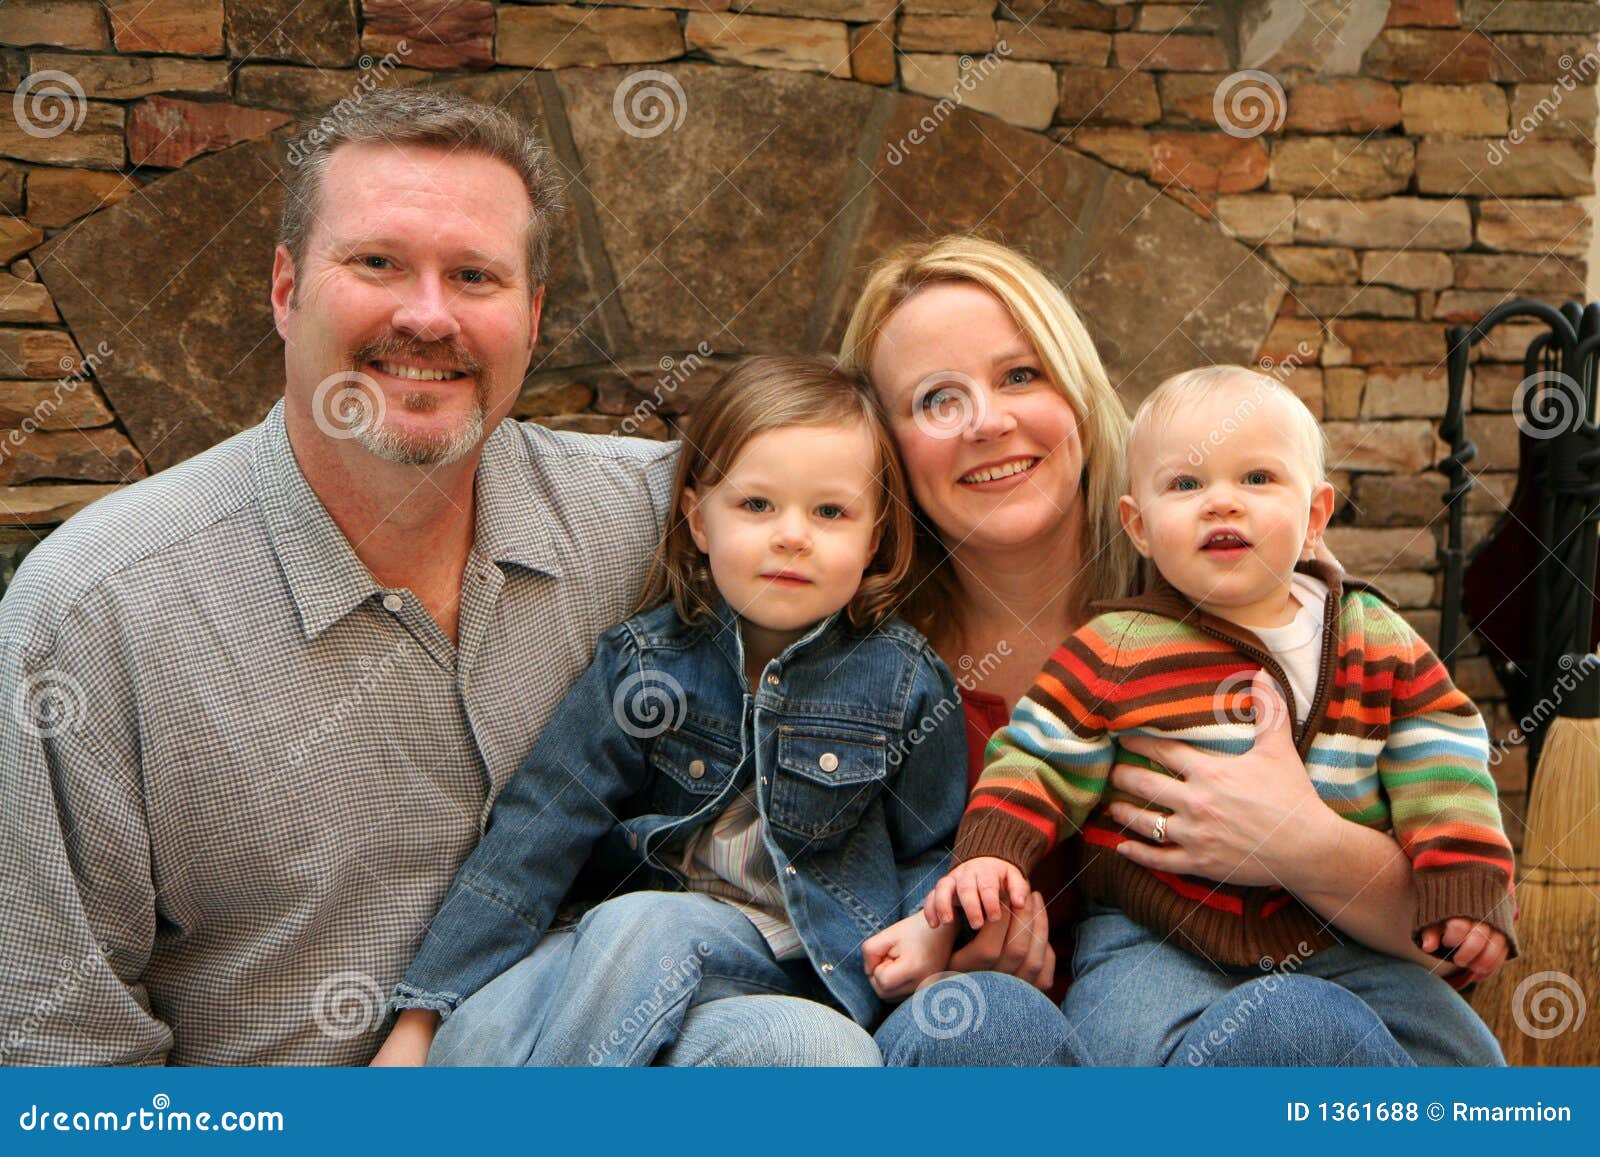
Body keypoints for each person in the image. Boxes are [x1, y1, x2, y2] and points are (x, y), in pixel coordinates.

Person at [0, 88, 700, 1065]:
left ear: (532, 318)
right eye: (377, 262)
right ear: (285, 290)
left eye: (474, 276)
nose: (427, 315)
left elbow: (907, 558)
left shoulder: (663, 522)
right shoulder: (90, 618)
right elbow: (63, 1076)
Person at [794, 234, 1505, 1067]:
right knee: (984, 1025)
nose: (990, 422)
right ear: (887, 448)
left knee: (1303, 1026)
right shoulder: (850, 672)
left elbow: (1444, 935)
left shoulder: (1260, 594)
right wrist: (952, 938)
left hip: (1303, 1004)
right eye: (936, 400)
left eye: (1021, 375)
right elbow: (830, 935)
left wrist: (1297, 837)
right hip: (1078, 1023)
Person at [371, 356, 965, 1066]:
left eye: (830, 511)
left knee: (814, 1045)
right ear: (699, 518)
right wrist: (420, 1015)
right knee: (481, 1036)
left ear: (875, 540)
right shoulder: (646, 663)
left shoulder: (904, 681)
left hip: (784, 966)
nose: (792, 535)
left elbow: (931, 843)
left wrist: (932, 927)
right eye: (756, 504)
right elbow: (537, 832)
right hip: (618, 971)